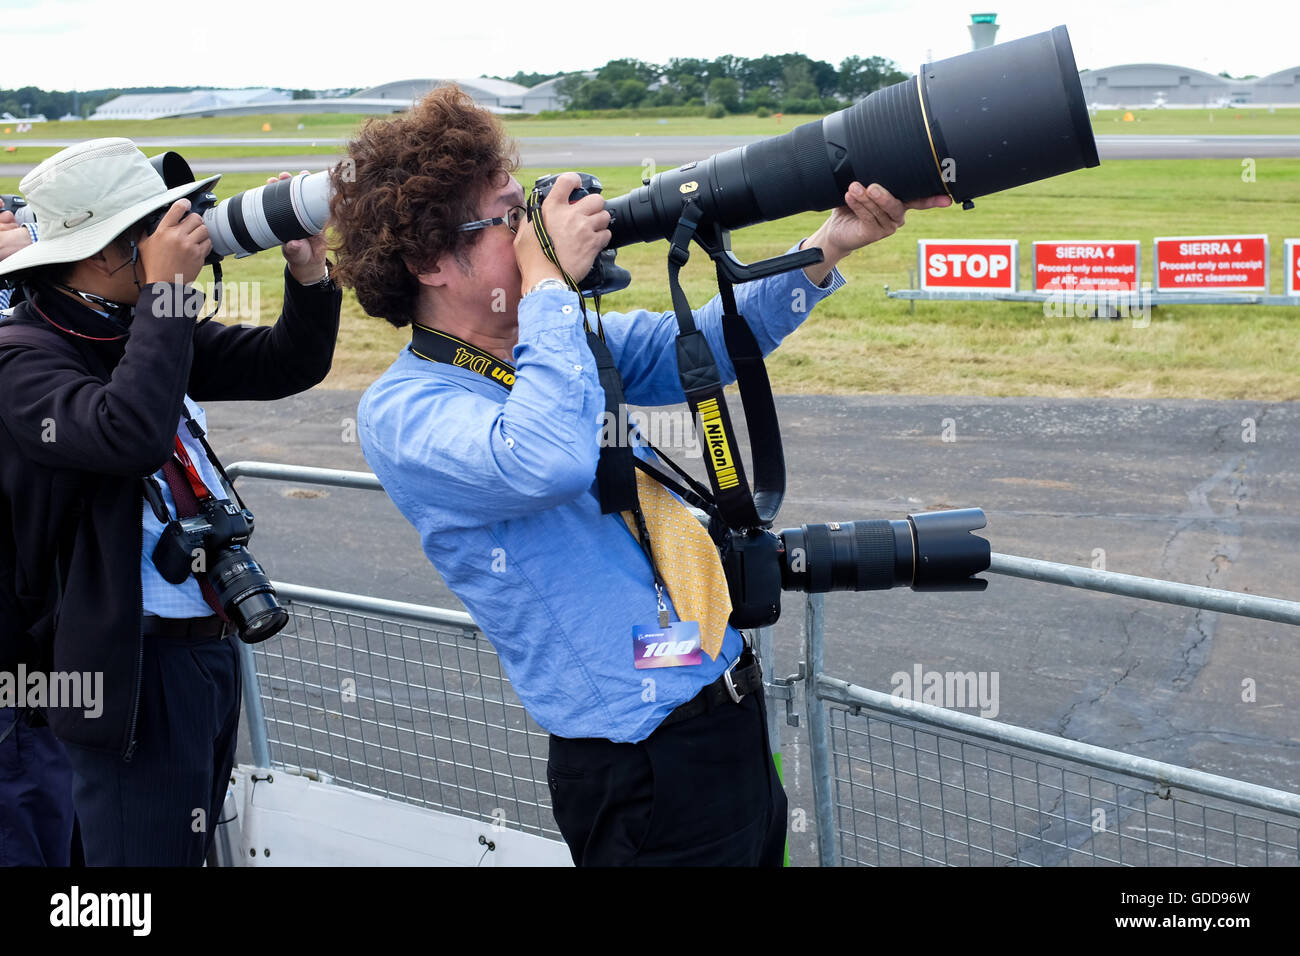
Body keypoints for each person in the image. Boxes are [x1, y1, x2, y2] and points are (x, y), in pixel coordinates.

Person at [329, 87, 948, 866]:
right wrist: (551, 284)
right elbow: (543, 458)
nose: (534, 232)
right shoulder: (405, 410)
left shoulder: (550, 341)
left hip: (722, 713)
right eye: (510, 219)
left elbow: (723, 339)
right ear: (430, 262)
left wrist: (832, 242)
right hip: (643, 769)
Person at [0, 138, 341, 866]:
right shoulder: (21, 356)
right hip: (125, 672)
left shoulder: (133, 325)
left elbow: (285, 364)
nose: (171, 240)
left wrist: (309, 275)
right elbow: (127, 434)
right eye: (147, 230)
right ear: (99, 253)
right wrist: (166, 298)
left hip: (205, 654)